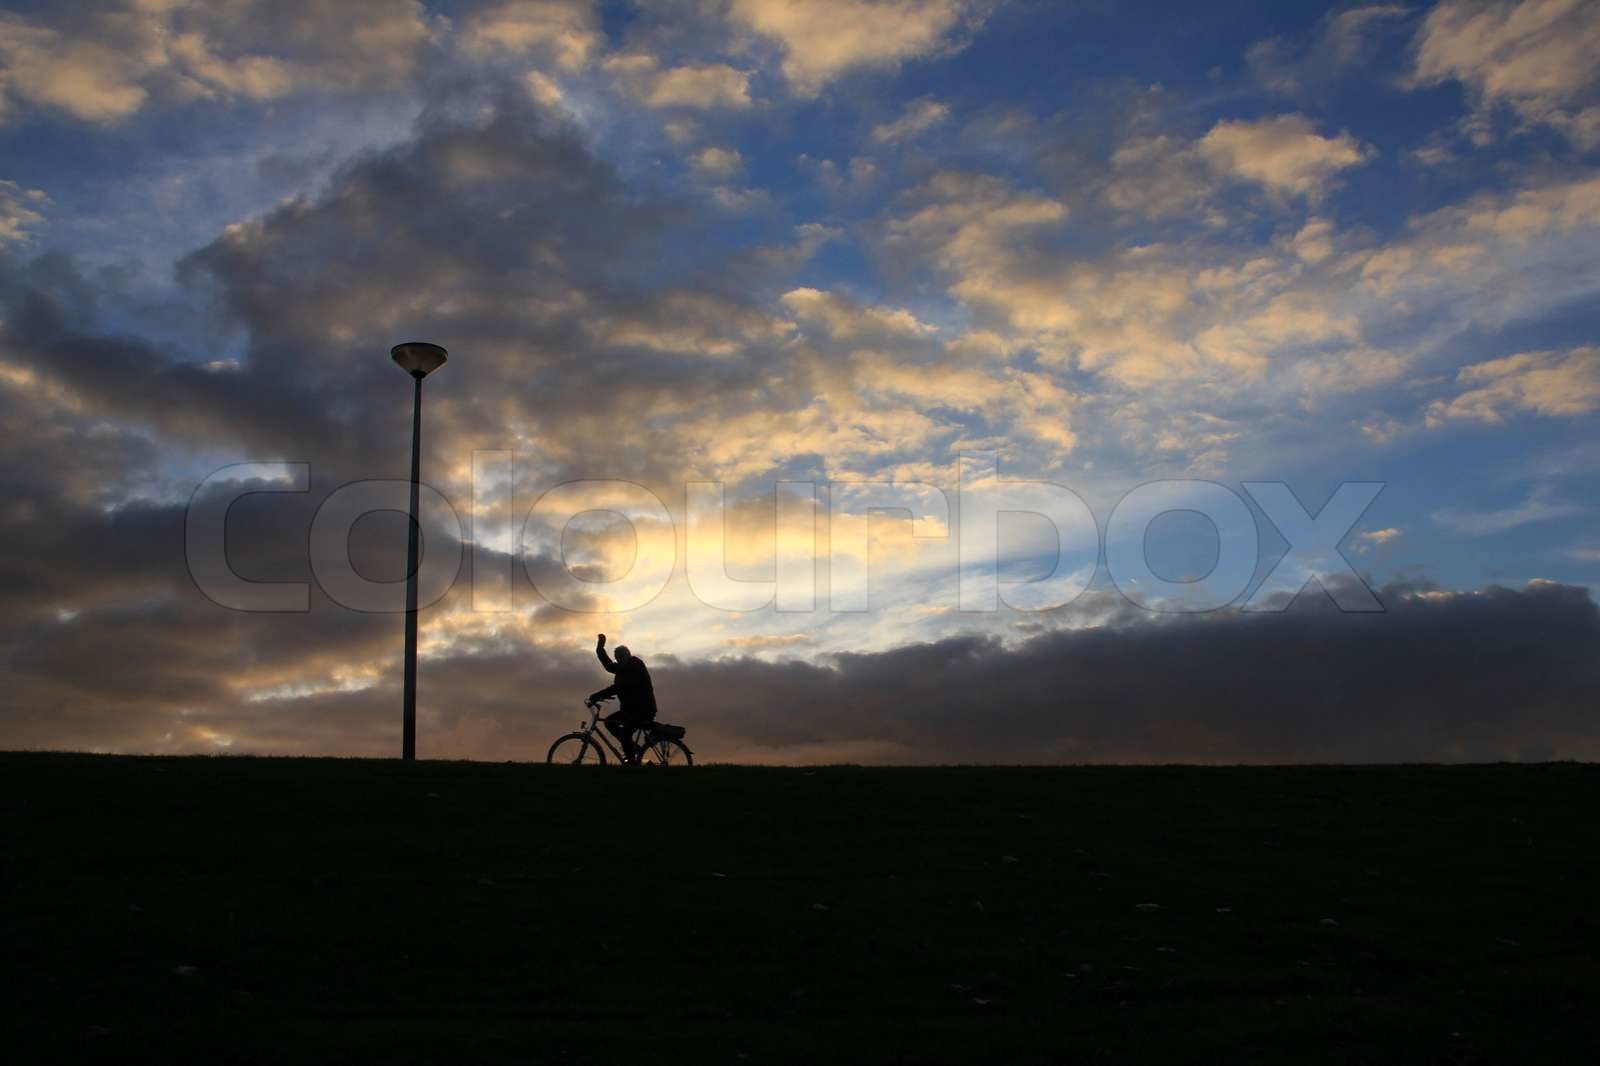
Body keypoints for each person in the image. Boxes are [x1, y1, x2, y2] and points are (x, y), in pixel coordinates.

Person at [588, 633, 657, 764]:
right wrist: (600, 647)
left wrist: (597, 696)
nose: (617, 661)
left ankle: (631, 762)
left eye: (619, 658)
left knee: (625, 732)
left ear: (626, 656)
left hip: (642, 710)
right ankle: (631, 747)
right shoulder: (623, 668)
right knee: (609, 722)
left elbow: (618, 687)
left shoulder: (635, 665)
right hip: (631, 710)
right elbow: (609, 667)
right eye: (617, 658)